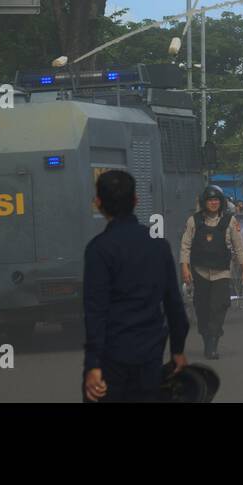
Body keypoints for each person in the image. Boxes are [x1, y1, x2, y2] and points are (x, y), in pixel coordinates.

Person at [83, 169, 189, 402]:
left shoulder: (98, 250)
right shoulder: (159, 246)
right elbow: (174, 305)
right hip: (150, 359)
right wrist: (178, 350)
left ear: (98, 203)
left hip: (110, 362)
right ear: (136, 200)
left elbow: (95, 312)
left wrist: (93, 364)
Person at [179, 185, 243, 359]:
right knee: (202, 308)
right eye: (210, 200)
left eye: (216, 200)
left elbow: (239, 247)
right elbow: (185, 246)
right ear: (205, 202)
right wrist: (185, 268)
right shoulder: (194, 221)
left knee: (219, 306)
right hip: (200, 271)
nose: (213, 203)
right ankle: (207, 339)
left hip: (222, 272)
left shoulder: (230, 221)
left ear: (221, 202)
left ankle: (213, 343)